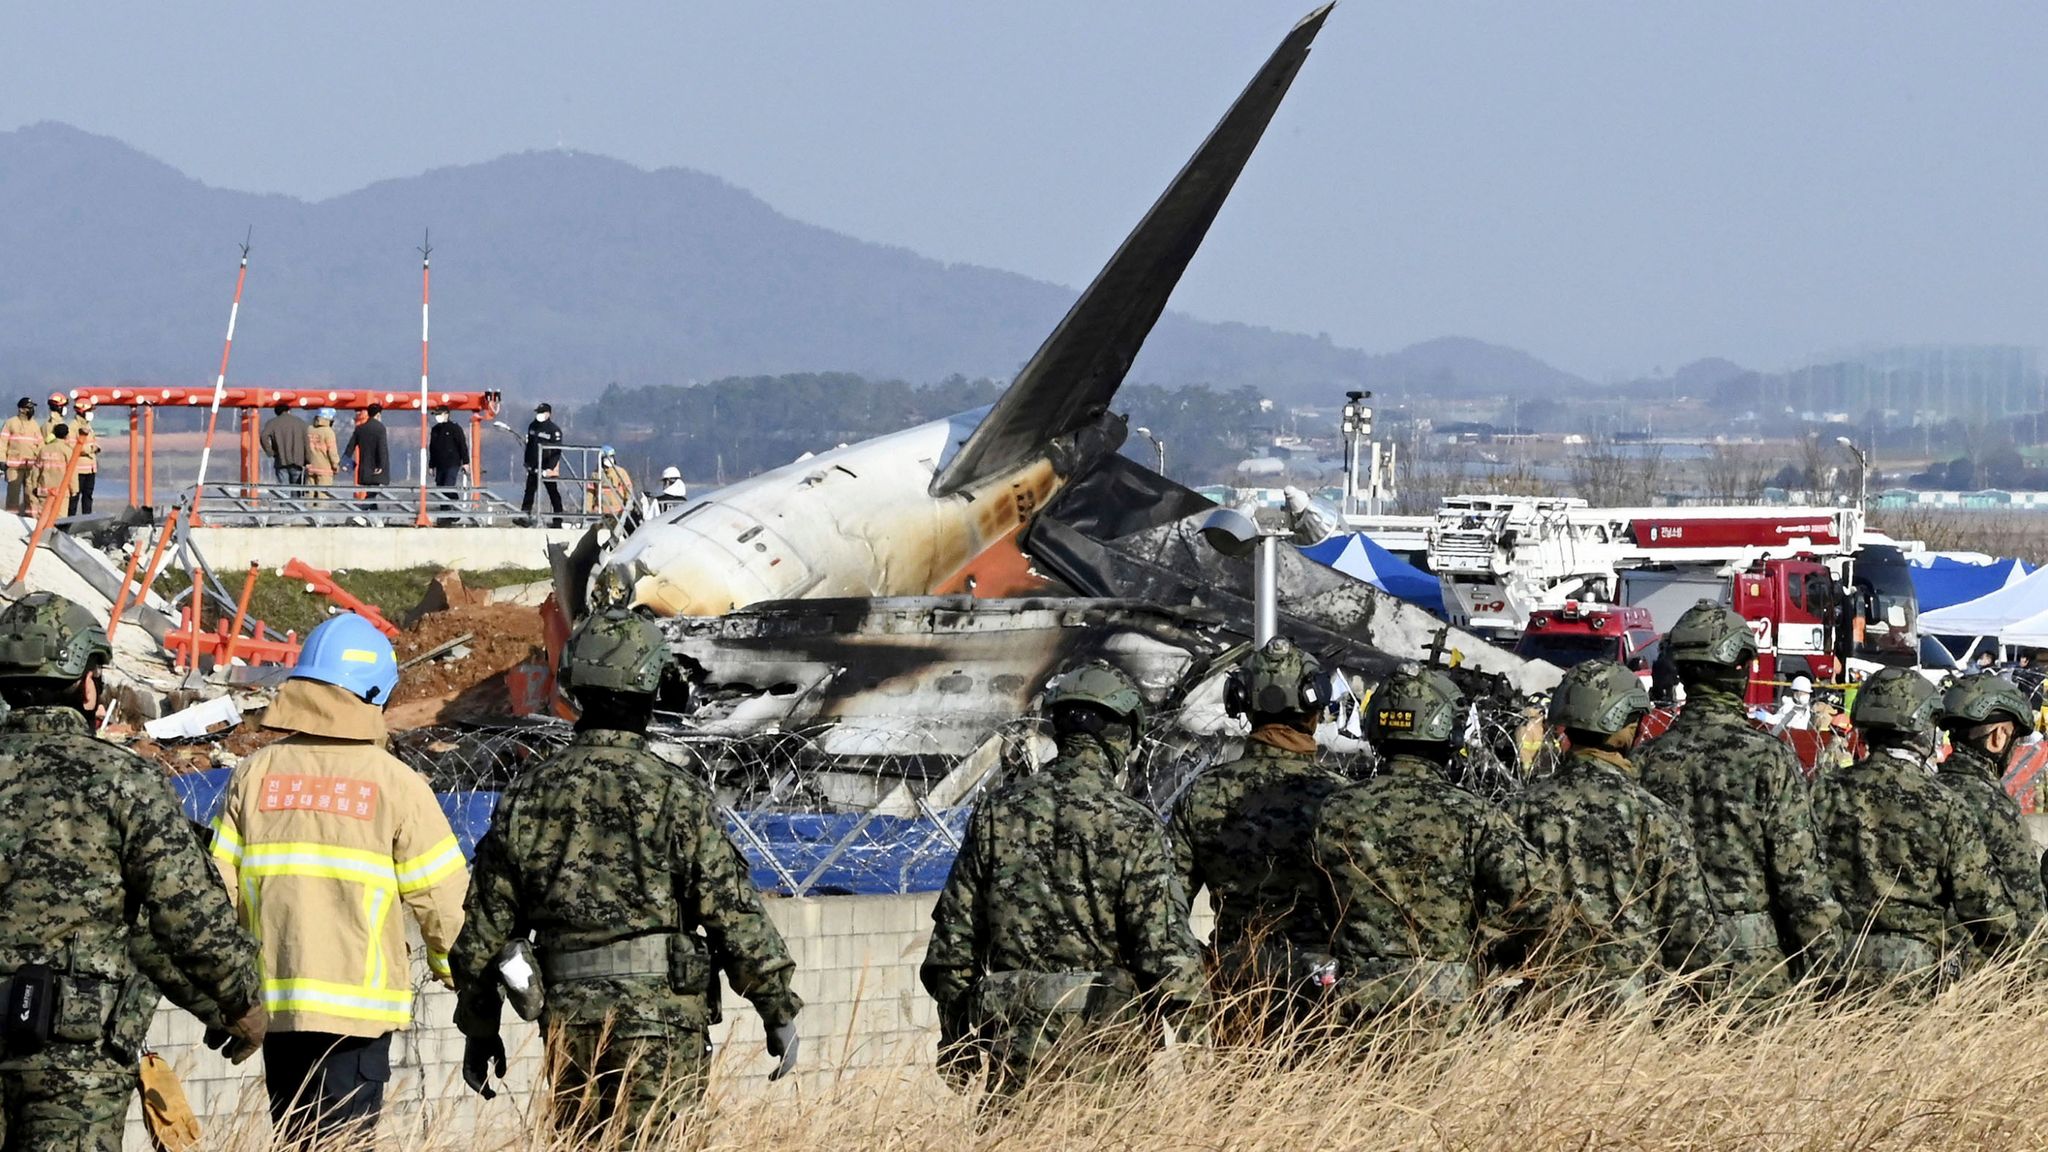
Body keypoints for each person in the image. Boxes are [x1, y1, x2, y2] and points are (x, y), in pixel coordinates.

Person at [453, 610, 801, 1136]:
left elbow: (486, 929)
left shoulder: (528, 795)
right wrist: (776, 1007)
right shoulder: (675, 794)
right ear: (654, 685)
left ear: (575, 685)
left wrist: (480, 1029)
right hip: (662, 1025)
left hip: (570, 1025)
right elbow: (731, 912)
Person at [0, 592, 268, 1151]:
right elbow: (185, 918)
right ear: (86, 680)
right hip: (74, 1060)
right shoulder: (124, 783)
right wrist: (239, 1001)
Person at [210, 613, 468, 1147]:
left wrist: (223, 992)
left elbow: (218, 894)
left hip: (275, 1008)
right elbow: (443, 903)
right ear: (373, 692)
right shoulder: (396, 784)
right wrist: (458, 976)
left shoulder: (254, 775)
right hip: (358, 1015)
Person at [923, 660, 1204, 1103]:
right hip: (1108, 1067)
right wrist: (1203, 1047)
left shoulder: (999, 813)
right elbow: (1165, 951)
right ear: (1122, 734)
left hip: (1015, 1059)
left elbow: (953, 944)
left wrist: (957, 1045)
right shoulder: (1132, 824)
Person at [1312, 664, 1561, 1029]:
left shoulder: (1335, 810)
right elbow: (1539, 899)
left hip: (1358, 1002)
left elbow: (1317, 901)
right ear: (1450, 733)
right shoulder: (1472, 813)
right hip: (1448, 1005)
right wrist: (1492, 954)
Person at [1634, 600, 1843, 1004]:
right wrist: (1829, 968)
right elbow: (1800, 880)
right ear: (1742, 670)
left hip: (1669, 962)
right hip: (1752, 968)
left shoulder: (1645, 761)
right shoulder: (1769, 759)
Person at [1514, 659, 1724, 1007]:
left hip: (1541, 1004)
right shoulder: (1653, 817)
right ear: (1625, 726)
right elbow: (1691, 934)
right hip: (1628, 1009)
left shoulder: (1521, 811)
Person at [1168, 637, 1349, 1033]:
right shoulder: (1340, 798)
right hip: (1323, 985)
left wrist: (1209, 965)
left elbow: (1166, 906)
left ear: (1240, 703)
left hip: (1236, 982)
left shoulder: (1202, 794)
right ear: (1314, 705)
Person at [1814, 667, 2019, 996]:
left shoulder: (1824, 792)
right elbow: (1985, 911)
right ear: (1925, 728)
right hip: (1917, 975)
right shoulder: (1945, 806)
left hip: (1836, 968)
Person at [1933, 672, 2048, 960]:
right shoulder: (1997, 809)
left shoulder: (1928, 793)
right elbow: (2029, 920)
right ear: (1998, 738)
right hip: (1979, 973)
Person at [521, 402, 564, 525]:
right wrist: (527, 462)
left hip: (547, 467)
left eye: (541, 412)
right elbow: (529, 446)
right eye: (537, 412)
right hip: (534, 465)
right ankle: (524, 515)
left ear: (548, 414)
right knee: (529, 491)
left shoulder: (553, 430)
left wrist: (550, 468)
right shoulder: (533, 426)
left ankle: (558, 519)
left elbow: (557, 450)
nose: (538, 415)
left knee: (553, 493)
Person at [342, 405, 391, 512]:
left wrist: (345, 462)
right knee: (372, 495)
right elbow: (381, 448)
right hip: (376, 469)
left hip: (364, 468)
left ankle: (373, 518)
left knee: (371, 494)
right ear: (378, 415)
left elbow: (350, 447)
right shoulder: (380, 428)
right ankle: (358, 513)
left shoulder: (360, 429)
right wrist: (381, 466)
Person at [428, 407, 469, 524]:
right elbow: (432, 448)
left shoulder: (455, 428)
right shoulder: (435, 430)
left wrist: (465, 462)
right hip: (440, 464)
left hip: (452, 463)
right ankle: (445, 513)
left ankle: (454, 509)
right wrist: (431, 465)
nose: (437, 416)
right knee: (441, 488)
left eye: (439, 414)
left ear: (446, 414)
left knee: (448, 486)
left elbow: (462, 446)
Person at [259, 402, 310, 489]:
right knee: (297, 490)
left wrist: (271, 452)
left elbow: (263, 437)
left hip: (281, 460)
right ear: (289, 411)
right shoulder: (301, 423)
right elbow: (307, 443)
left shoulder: (272, 423)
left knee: (283, 489)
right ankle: (295, 502)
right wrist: (308, 460)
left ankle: (284, 503)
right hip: (298, 461)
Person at [3, 396, 41, 513]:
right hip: (14, 467)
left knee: (31, 497)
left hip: (30, 468)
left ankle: (31, 521)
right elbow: (2, 443)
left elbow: (40, 445)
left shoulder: (35, 425)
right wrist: (2, 460)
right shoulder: (10, 423)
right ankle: (11, 521)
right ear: (21, 409)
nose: (31, 410)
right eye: (28, 408)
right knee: (13, 498)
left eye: (32, 408)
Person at [69, 397, 100, 515]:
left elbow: (92, 441)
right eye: (89, 411)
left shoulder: (88, 426)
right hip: (79, 469)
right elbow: (72, 446)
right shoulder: (73, 426)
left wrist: (96, 447)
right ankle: (70, 522)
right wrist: (90, 449)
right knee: (75, 497)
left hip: (91, 468)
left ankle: (87, 519)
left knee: (88, 497)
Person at [306, 409, 341, 501]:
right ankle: (321, 514)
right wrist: (335, 464)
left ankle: (307, 514)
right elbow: (332, 451)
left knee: (309, 495)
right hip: (324, 468)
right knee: (323, 495)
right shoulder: (328, 432)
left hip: (310, 467)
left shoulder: (309, 429)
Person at [593, 446, 633, 518]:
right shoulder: (596, 474)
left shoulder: (620, 472)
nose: (609, 460)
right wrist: (588, 509)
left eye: (611, 457)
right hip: (601, 512)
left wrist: (628, 505)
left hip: (618, 512)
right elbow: (590, 493)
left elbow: (628, 489)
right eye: (606, 458)